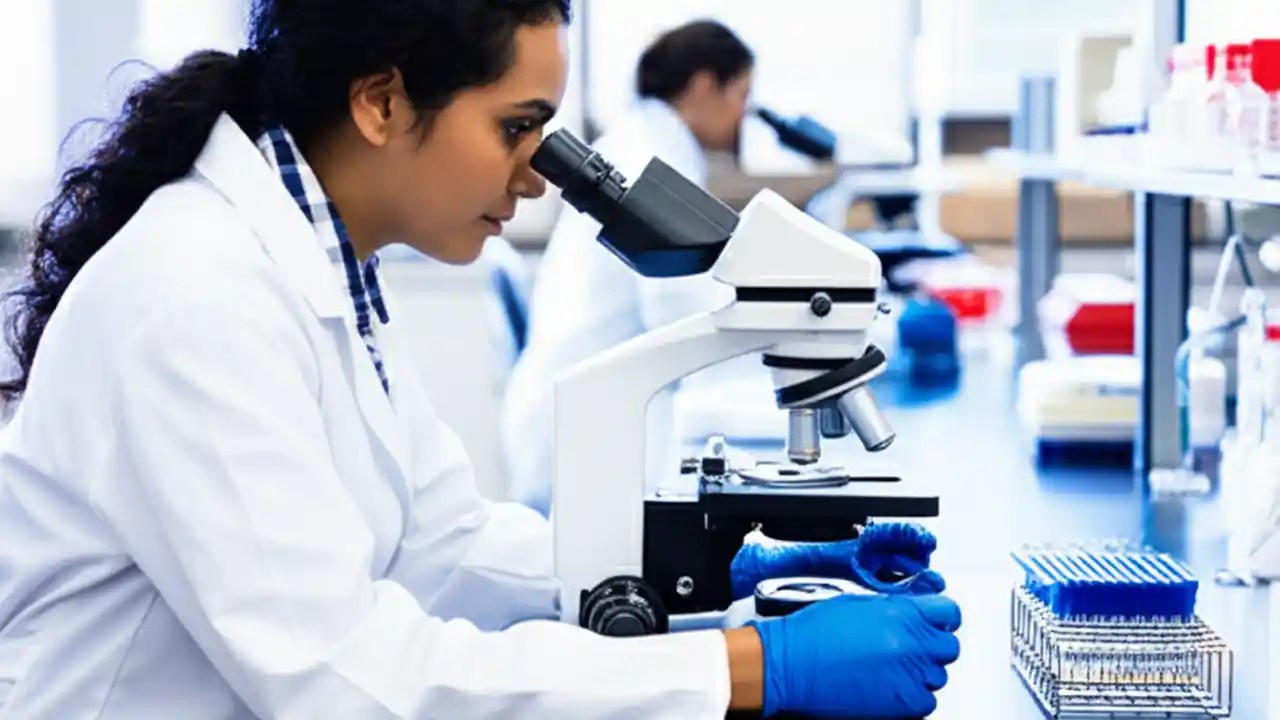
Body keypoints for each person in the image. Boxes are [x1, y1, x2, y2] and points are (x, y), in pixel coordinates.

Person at [0, 2, 960, 718]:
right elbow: (342, 678)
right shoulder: (195, 300)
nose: (538, 170)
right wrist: (751, 670)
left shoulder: (324, 268)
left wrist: (713, 574)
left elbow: (441, 545)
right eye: (515, 125)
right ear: (382, 103)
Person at [502, 20, 761, 516]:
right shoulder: (654, 154)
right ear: (706, 86)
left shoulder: (641, 142)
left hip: (576, 410)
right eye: (742, 94)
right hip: (580, 424)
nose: (744, 114)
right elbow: (677, 303)